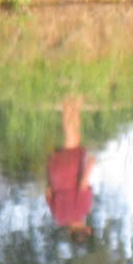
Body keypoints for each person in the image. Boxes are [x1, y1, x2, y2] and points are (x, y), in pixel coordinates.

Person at [46, 94, 95, 238]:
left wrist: (90, 166)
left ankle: (69, 99)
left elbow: (83, 184)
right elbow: (48, 192)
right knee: (73, 137)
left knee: (72, 136)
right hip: (55, 173)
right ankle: (75, 103)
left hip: (71, 170)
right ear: (70, 231)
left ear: (87, 229)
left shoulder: (83, 210)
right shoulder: (58, 217)